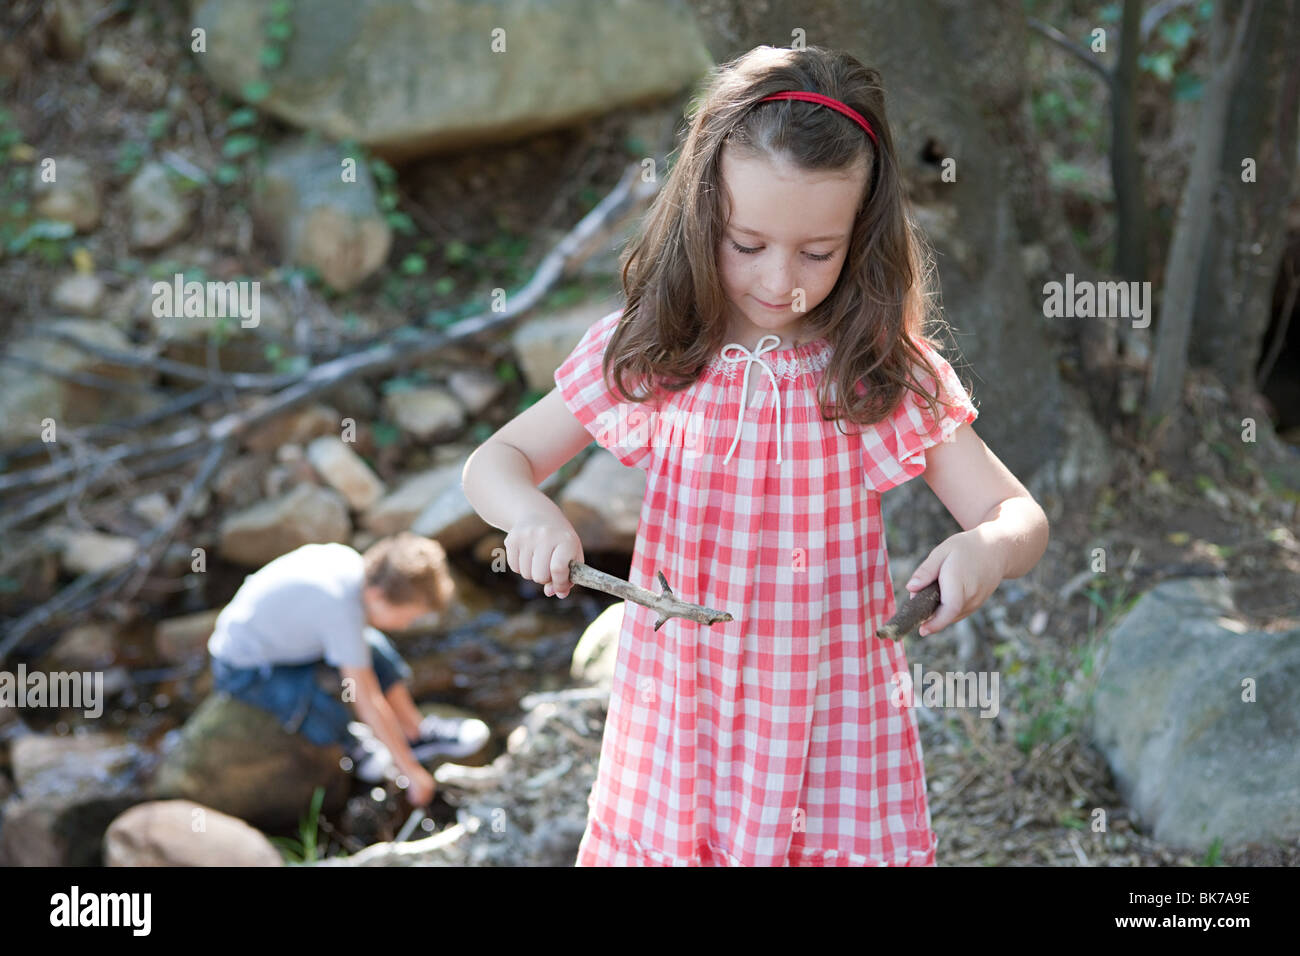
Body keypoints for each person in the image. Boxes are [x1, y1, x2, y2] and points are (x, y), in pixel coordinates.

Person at [461, 45, 1049, 865]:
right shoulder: (660, 351)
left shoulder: (877, 368)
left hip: (830, 724)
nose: (782, 282)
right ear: (704, 216)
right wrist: (530, 516)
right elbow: (497, 460)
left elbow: (1017, 514)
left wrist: (986, 549)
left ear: (862, 233)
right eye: (747, 244)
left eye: (817, 252)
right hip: (679, 719)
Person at [207, 532, 489, 808]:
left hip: (292, 643)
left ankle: (414, 732)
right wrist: (410, 772)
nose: (406, 626)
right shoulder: (339, 606)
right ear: (378, 595)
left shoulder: (354, 569)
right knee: (319, 703)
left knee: (374, 647)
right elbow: (365, 699)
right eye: (408, 617)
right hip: (246, 668)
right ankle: (355, 746)